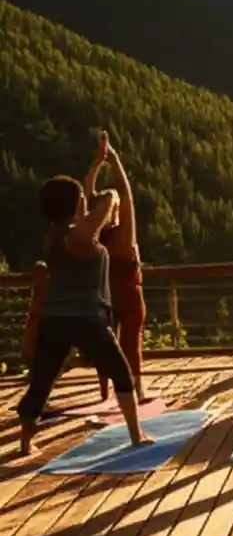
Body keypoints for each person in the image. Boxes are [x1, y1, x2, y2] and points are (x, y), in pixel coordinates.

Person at [17, 176, 153, 455]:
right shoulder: (75, 233)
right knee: (121, 373)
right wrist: (112, 201)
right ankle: (136, 435)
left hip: (55, 320)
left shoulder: (55, 234)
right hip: (87, 318)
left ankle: (25, 443)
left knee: (41, 383)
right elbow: (97, 218)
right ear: (75, 202)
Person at [85, 131, 149, 401]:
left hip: (117, 296)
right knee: (117, 346)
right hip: (117, 297)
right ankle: (122, 390)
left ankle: (123, 390)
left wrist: (106, 160)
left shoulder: (110, 234)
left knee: (118, 346)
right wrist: (106, 160)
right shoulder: (114, 234)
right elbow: (98, 191)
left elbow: (112, 192)